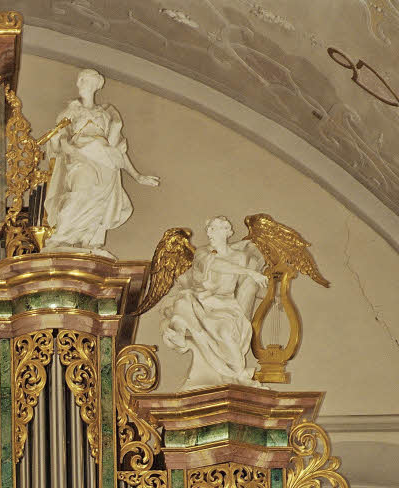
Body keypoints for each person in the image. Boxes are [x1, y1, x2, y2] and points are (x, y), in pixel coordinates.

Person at [39, 68, 158, 256]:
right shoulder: (69, 111)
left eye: (83, 80)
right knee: (80, 193)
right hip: (80, 156)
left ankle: (89, 241)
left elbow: (117, 149)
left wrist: (137, 175)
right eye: (79, 80)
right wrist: (65, 146)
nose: (79, 84)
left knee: (100, 201)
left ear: (95, 85)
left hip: (105, 160)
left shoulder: (108, 113)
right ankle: (61, 237)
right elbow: (60, 138)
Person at [159, 216, 269, 389]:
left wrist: (270, 291)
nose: (208, 232)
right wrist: (249, 272)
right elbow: (217, 265)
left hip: (225, 306)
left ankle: (238, 373)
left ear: (227, 232)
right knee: (184, 301)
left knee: (226, 333)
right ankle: (179, 333)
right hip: (202, 302)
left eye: (213, 228)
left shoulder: (240, 257)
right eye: (209, 229)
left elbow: (245, 287)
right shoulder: (202, 253)